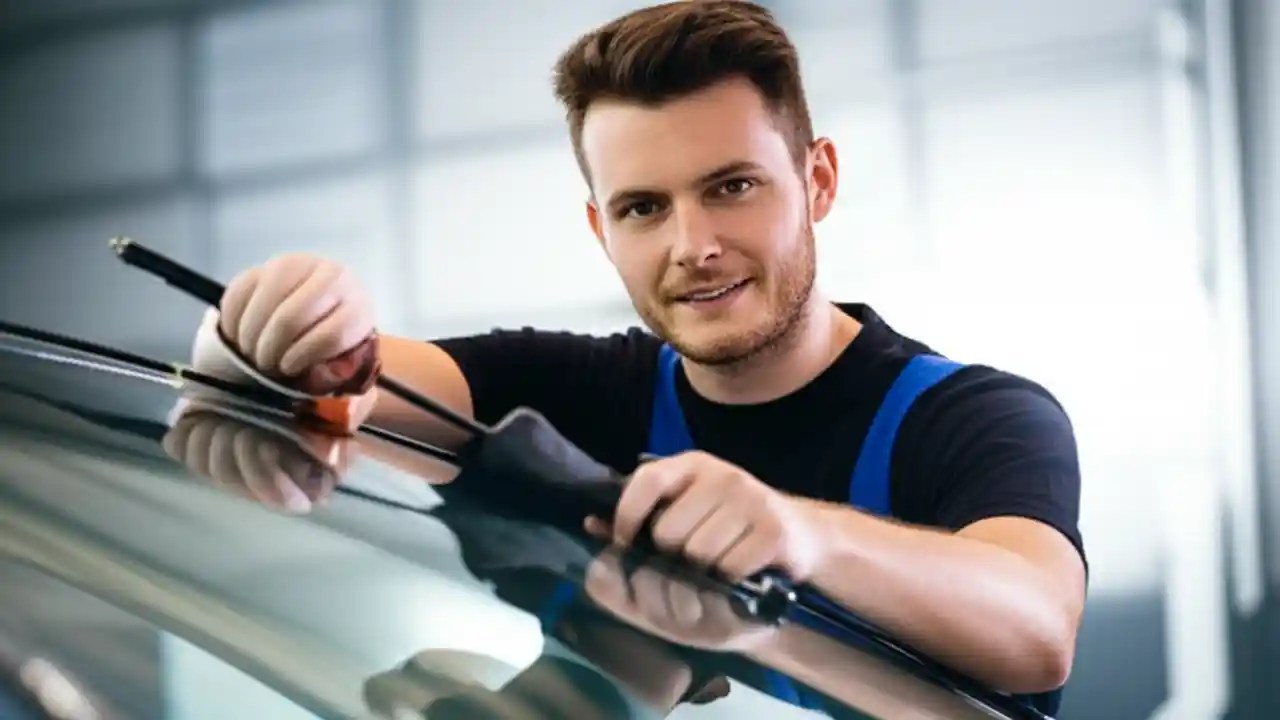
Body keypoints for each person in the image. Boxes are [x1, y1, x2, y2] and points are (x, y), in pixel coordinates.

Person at [193, 0, 1086, 711]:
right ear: (600, 228)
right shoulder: (575, 390)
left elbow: (1036, 629)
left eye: (731, 187)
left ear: (816, 181)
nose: (692, 245)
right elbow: (327, 384)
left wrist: (797, 533)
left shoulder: (974, 417)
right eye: (643, 208)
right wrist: (259, 331)